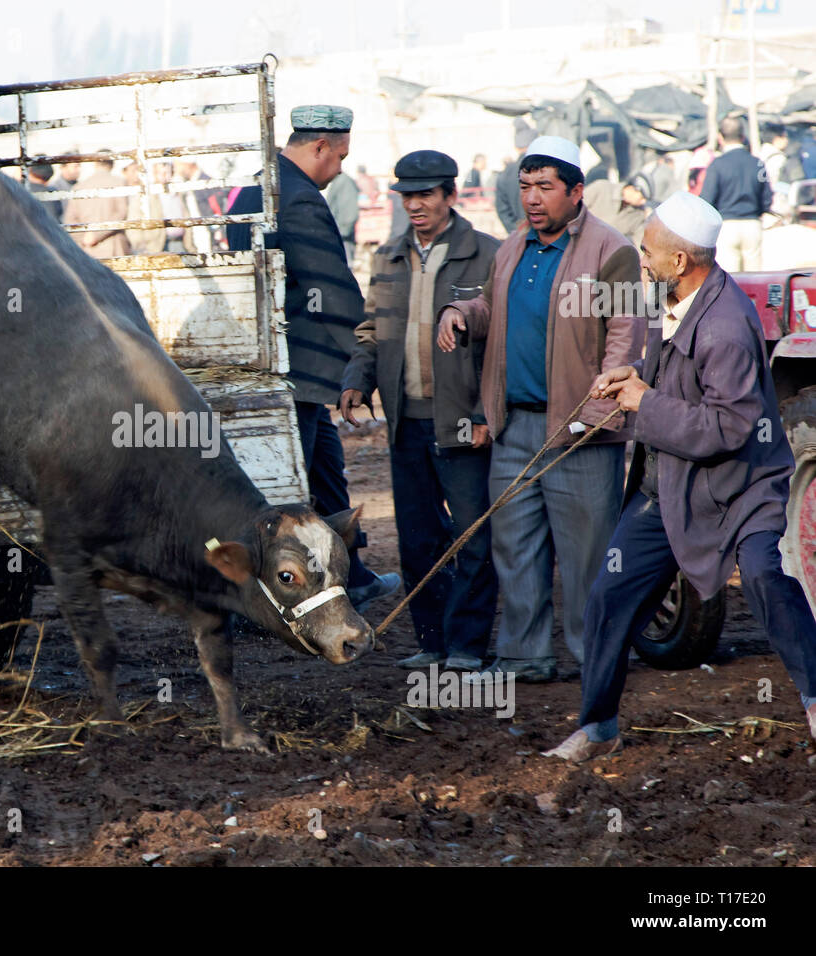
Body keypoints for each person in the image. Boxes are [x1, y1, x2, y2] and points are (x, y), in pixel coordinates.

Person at [545, 191, 816, 761]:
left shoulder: (725, 325)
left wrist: (643, 403)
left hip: (741, 486)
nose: (639, 260)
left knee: (767, 577)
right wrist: (631, 376)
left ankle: (815, 699)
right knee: (609, 594)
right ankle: (598, 727)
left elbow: (728, 427)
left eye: (647, 252)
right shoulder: (671, 297)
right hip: (670, 482)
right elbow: (671, 379)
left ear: (680, 262)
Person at [436, 135, 645, 682]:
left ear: (576, 191)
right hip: (515, 426)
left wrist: (602, 412)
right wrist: (463, 312)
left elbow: (626, 336)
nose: (532, 197)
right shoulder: (512, 248)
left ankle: (593, 655)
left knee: (585, 555)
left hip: (579, 429)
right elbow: (492, 306)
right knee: (515, 548)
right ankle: (524, 657)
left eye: (545, 187)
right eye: (525, 186)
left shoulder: (611, 250)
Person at [227, 105, 400, 610]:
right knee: (290, 490)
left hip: (266, 363)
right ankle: (258, 601)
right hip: (300, 369)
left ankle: (358, 575)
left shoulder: (250, 188)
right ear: (319, 147)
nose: (341, 168)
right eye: (340, 156)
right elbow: (333, 288)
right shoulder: (299, 199)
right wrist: (366, 357)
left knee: (326, 470)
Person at [339, 150, 500, 670]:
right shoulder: (387, 258)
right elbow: (371, 332)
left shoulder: (489, 255)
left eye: (426, 194)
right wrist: (355, 383)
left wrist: (482, 414)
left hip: (461, 419)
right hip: (405, 420)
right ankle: (432, 644)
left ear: (450, 197)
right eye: (408, 195)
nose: (416, 204)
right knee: (417, 539)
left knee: (473, 536)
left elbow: (500, 346)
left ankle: (468, 647)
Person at [698, 116, 771, 271]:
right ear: (743, 137)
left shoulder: (717, 165)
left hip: (727, 226)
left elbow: (706, 201)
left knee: (730, 280)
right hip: (752, 225)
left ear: (720, 137)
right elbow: (767, 200)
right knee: (754, 281)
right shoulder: (757, 163)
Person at [63, 154, 131, 259]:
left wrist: (84, 238)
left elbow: (69, 219)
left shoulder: (79, 186)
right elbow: (122, 213)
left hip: (87, 249)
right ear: (112, 165)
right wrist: (97, 234)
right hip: (114, 247)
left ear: (95, 164)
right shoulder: (119, 182)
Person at [583, 171, 652, 244]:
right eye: (642, 198)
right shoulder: (602, 188)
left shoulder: (638, 215)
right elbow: (575, 206)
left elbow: (641, 243)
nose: (643, 202)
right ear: (633, 189)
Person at [495, 123, 535, 235]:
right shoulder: (547, 169)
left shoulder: (506, 173)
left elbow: (502, 209)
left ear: (517, 148)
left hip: (519, 234)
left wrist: (517, 232)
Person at [325, 171, 361, 265]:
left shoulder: (344, 182)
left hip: (343, 236)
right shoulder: (337, 181)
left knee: (345, 266)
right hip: (338, 234)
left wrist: (341, 233)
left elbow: (350, 213)